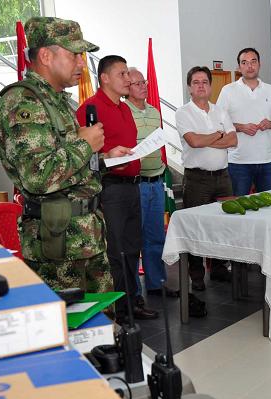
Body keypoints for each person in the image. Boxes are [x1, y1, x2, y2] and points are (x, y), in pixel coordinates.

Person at [0, 17, 125, 293]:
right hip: (58, 247)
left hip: (86, 237)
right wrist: (85, 145)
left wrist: (104, 158)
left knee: (101, 326)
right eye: (74, 54)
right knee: (68, 329)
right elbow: (37, 177)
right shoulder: (23, 103)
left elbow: (69, 166)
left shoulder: (58, 101)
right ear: (45, 55)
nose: (82, 63)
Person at [77, 55, 159, 321]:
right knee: (115, 251)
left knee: (133, 247)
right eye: (122, 74)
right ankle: (117, 309)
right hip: (109, 188)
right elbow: (81, 158)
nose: (128, 79)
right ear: (105, 78)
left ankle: (133, 301)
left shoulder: (124, 109)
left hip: (132, 185)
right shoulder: (90, 109)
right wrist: (108, 157)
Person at [175, 66, 238, 292]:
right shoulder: (184, 113)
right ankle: (197, 275)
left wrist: (210, 138)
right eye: (196, 82)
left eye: (204, 82)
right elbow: (194, 142)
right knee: (196, 227)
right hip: (197, 180)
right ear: (189, 87)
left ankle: (220, 269)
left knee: (222, 226)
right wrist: (219, 134)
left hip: (223, 177)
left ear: (211, 86)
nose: (201, 85)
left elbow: (233, 140)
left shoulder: (220, 111)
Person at [124, 67, 179, 300]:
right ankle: (134, 292)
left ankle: (156, 284)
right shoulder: (123, 111)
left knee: (155, 236)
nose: (143, 86)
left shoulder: (155, 111)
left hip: (156, 180)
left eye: (144, 82)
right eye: (137, 84)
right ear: (127, 88)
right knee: (134, 239)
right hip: (135, 183)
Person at [216, 48, 271, 196]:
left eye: (253, 61)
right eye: (244, 62)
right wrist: (240, 127)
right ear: (239, 67)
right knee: (239, 208)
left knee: (270, 207)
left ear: (259, 64)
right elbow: (218, 124)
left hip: (267, 162)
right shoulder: (227, 91)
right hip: (238, 162)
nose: (249, 66)